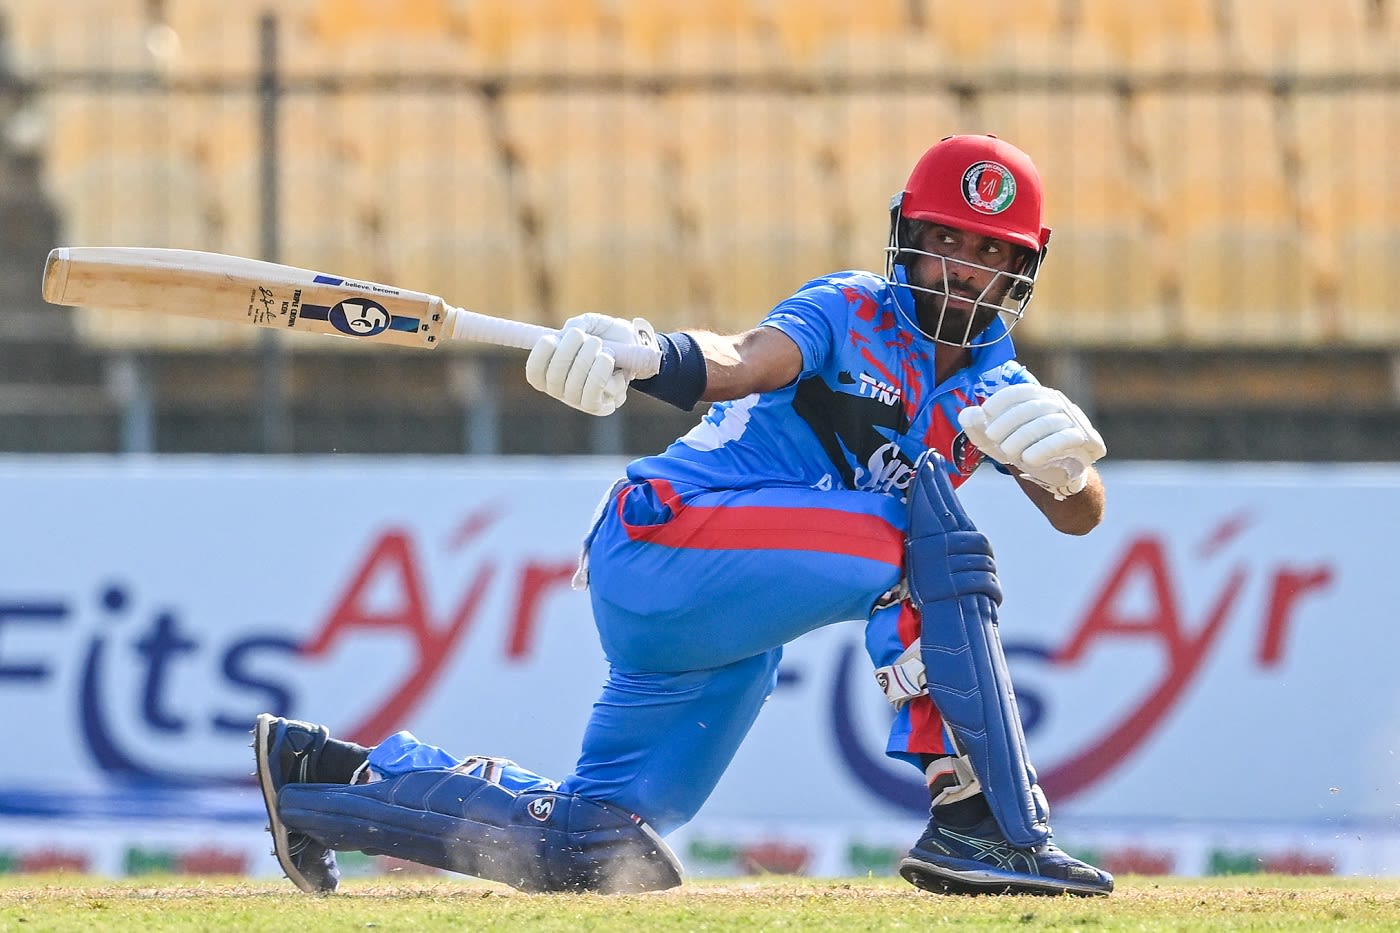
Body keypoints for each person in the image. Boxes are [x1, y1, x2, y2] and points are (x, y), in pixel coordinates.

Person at [254, 134, 1113, 897]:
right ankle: (984, 818)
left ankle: (321, 778)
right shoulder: (850, 308)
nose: (960, 268)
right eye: (942, 241)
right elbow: (740, 360)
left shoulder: (1000, 387)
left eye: (986, 251)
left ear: (1022, 267)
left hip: (723, 628)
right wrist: (643, 354)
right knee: (922, 541)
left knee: (596, 848)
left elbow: (1078, 512)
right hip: (668, 533)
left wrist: (1065, 464)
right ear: (906, 241)